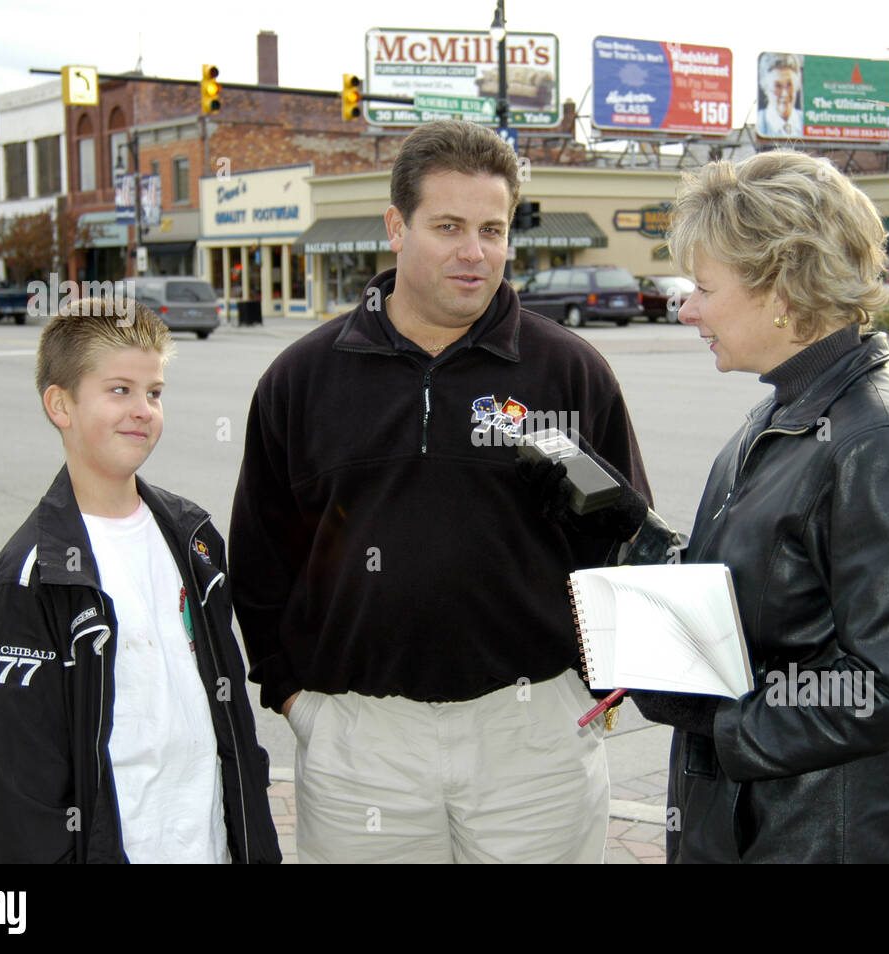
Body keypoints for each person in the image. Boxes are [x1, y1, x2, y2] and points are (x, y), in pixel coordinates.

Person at [229, 118, 651, 864]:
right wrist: (298, 701)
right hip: (363, 746)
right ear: (396, 227)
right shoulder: (302, 380)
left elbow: (624, 547)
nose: (474, 251)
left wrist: (590, 695)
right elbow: (262, 561)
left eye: (492, 229)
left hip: (534, 741)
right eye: (448, 226)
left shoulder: (568, 374)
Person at [526, 152, 889, 863]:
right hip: (745, 825)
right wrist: (625, 525)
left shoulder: (875, 445)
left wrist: (723, 716)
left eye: (703, 286)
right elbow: (734, 591)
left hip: (818, 838)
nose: (685, 306)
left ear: (783, 287)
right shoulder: (780, 414)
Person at [0, 297, 281, 864]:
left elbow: (229, 721)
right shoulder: (30, 580)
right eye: (119, 390)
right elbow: (11, 790)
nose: (142, 410)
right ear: (60, 404)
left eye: (154, 392)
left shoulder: (194, 541)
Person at [757, 53, 803, 138]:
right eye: (777, 86)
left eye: (789, 85)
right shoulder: (760, 124)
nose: (784, 94)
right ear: (765, 88)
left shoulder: (807, 123)